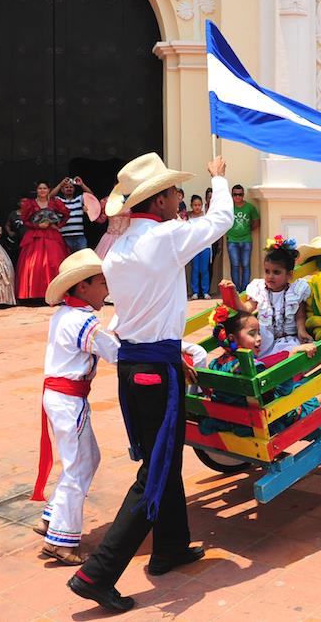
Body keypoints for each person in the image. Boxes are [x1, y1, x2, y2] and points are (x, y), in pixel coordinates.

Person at [68, 153, 231, 612]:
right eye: (175, 191)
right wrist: (219, 179)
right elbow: (220, 220)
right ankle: (97, 573)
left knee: (164, 457)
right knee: (155, 471)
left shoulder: (119, 247)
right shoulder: (164, 237)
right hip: (156, 369)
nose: (180, 197)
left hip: (136, 364)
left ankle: (170, 546)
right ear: (158, 200)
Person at [31, 249, 120, 566]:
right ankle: (61, 541)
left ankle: (53, 516)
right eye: (101, 283)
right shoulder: (84, 322)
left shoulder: (66, 314)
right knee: (78, 465)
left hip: (61, 398)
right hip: (69, 400)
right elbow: (115, 352)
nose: (106, 289)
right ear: (83, 287)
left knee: (85, 458)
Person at [198, 306, 321, 437]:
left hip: (236, 420)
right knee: (298, 398)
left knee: (296, 389)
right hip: (263, 422)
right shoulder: (253, 368)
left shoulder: (216, 364)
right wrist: (291, 357)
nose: (259, 338)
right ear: (232, 338)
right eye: (252, 334)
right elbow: (281, 394)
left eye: (259, 333)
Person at [221, 236, 313, 359]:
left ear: (289, 275)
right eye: (267, 271)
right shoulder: (259, 289)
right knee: (252, 336)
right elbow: (246, 309)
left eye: (276, 272)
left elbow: (300, 316)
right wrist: (234, 294)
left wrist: (301, 330)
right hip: (265, 339)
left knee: (291, 353)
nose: (270, 276)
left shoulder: (295, 291)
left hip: (288, 339)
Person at [16, 182, 69, 301]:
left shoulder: (55, 202)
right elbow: (25, 220)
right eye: (40, 188)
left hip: (52, 235)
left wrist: (58, 225)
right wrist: (37, 226)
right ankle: (34, 294)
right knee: (33, 264)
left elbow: (66, 214)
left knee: (54, 262)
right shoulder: (30, 204)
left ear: (49, 190)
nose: (42, 190)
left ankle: (55, 293)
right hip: (35, 235)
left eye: (44, 188)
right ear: (36, 190)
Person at [226, 184, 260, 286]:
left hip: (246, 240)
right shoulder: (228, 207)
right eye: (235, 194)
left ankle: (245, 290)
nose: (237, 197)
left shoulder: (250, 207)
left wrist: (248, 230)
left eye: (240, 194)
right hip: (232, 240)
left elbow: (257, 221)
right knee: (235, 265)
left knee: (246, 265)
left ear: (243, 195)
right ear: (232, 195)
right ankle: (236, 290)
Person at [55, 177, 93, 254]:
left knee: (83, 257)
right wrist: (60, 184)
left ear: (74, 189)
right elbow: (49, 197)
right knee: (66, 259)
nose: (69, 188)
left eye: (71, 187)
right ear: (62, 190)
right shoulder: (59, 201)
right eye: (66, 187)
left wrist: (82, 184)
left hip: (79, 236)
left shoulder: (79, 199)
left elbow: (90, 195)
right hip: (64, 237)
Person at [187, 195, 212, 299]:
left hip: (205, 246)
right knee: (195, 269)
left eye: (199, 205)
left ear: (202, 205)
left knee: (204, 269)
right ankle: (195, 292)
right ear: (191, 205)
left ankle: (205, 291)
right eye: (195, 205)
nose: (197, 207)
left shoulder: (206, 216)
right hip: (194, 247)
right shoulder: (188, 217)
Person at [94, 196, 131, 261]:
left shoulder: (133, 199)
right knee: (103, 261)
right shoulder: (108, 200)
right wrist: (90, 212)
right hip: (110, 238)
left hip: (126, 238)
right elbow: (102, 219)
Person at [3, 192, 29, 263]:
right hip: (16, 239)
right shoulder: (13, 213)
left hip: (27, 239)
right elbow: (7, 225)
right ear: (19, 203)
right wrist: (9, 232)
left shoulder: (31, 213)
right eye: (23, 201)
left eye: (27, 202)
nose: (25, 203)